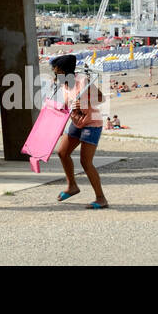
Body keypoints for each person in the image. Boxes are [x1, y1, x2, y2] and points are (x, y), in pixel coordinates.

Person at [50, 54, 108, 209]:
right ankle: (72, 186)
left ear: (67, 71)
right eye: (55, 73)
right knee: (62, 152)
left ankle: (101, 198)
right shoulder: (64, 84)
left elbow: (101, 98)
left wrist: (85, 101)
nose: (56, 76)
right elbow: (68, 105)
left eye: (58, 73)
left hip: (92, 123)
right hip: (77, 122)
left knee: (85, 162)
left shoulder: (83, 81)